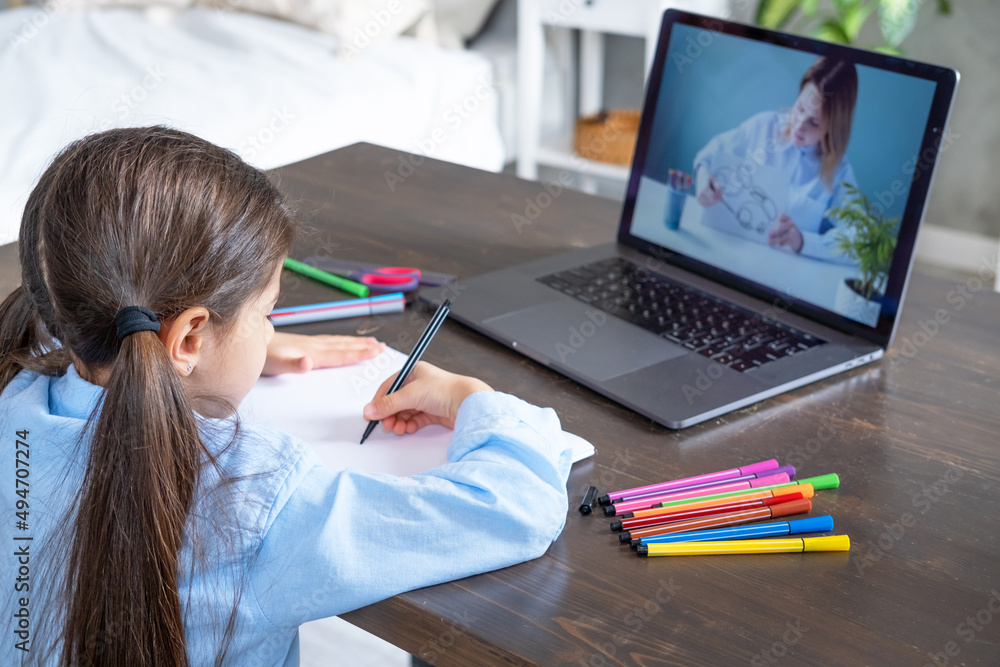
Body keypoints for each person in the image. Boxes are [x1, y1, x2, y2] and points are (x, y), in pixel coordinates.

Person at [0, 127, 573, 666]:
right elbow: (514, 508)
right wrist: (470, 396)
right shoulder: (253, 498)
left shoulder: (13, 391)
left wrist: (220, 348)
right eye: (268, 312)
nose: (271, 329)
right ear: (189, 336)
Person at [694, 57, 859, 263]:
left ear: (833, 127)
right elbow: (708, 154)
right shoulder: (764, 127)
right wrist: (702, 176)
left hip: (785, 278)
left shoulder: (839, 171)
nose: (799, 126)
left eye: (813, 122)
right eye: (799, 109)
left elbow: (859, 240)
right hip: (724, 255)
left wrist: (803, 241)